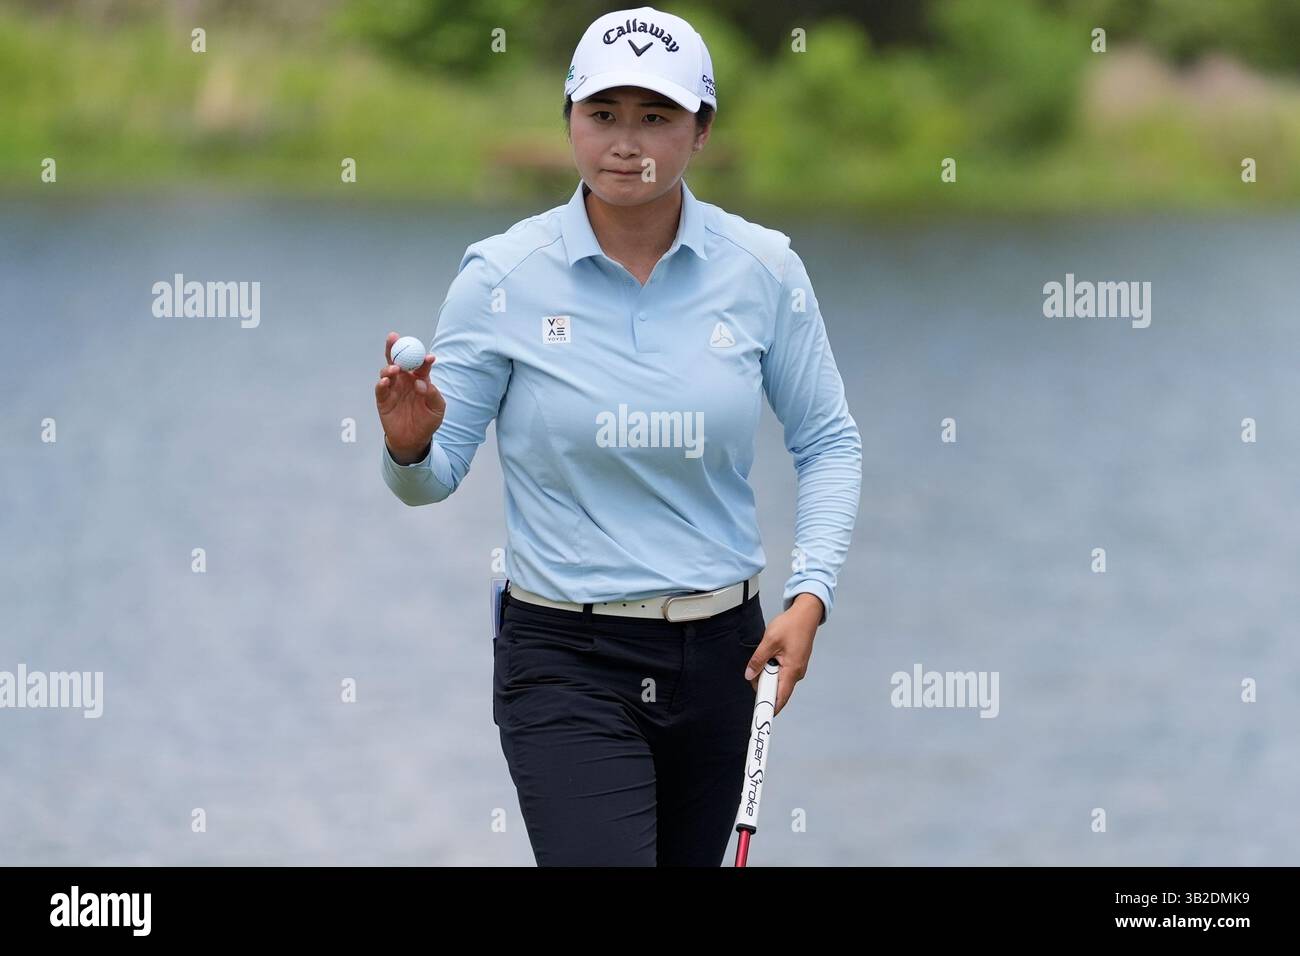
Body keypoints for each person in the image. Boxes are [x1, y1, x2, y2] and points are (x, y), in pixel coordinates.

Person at [375, 5, 862, 866]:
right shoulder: (501, 276)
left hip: (725, 654)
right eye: (603, 115)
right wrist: (411, 445)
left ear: (701, 131)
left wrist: (809, 597)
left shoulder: (765, 271)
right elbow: (432, 477)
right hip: (565, 659)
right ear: (568, 119)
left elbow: (827, 442)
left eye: (657, 118)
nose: (625, 142)